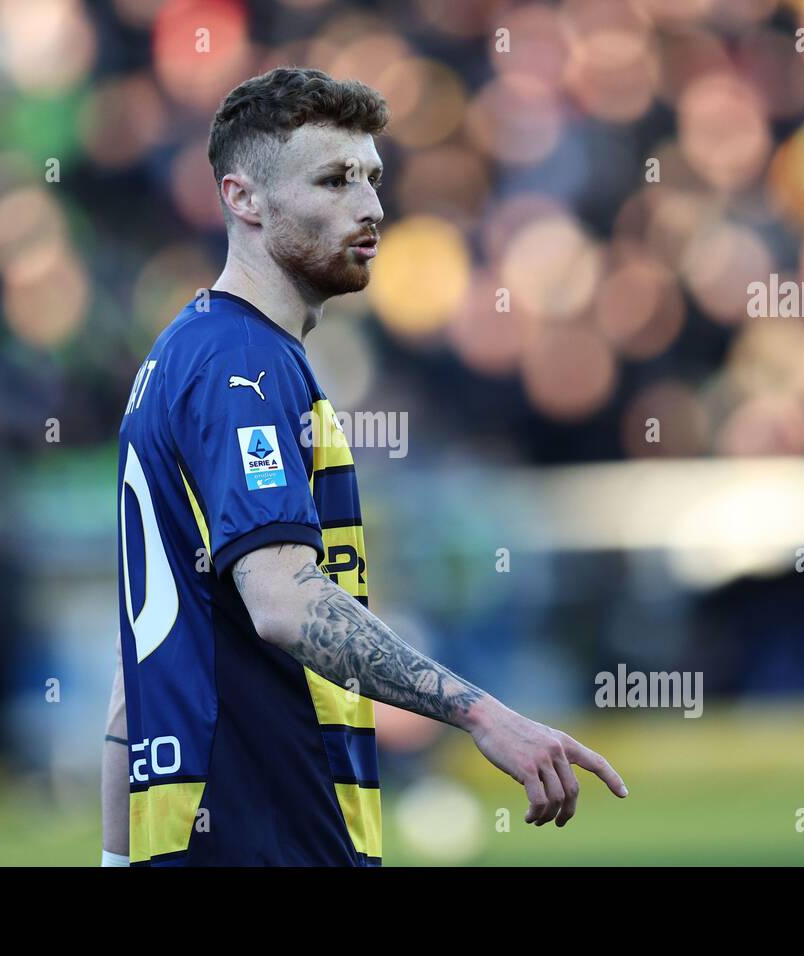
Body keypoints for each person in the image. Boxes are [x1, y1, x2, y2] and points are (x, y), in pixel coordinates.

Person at [101, 66, 626, 867]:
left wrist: (116, 858)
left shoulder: (188, 354)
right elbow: (283, 601)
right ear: (243, 199)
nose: (371, 206)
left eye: (373, 179)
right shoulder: (240, 364)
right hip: (261, 830)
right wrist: (483, 713)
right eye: (333, 179)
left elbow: (128, 680)